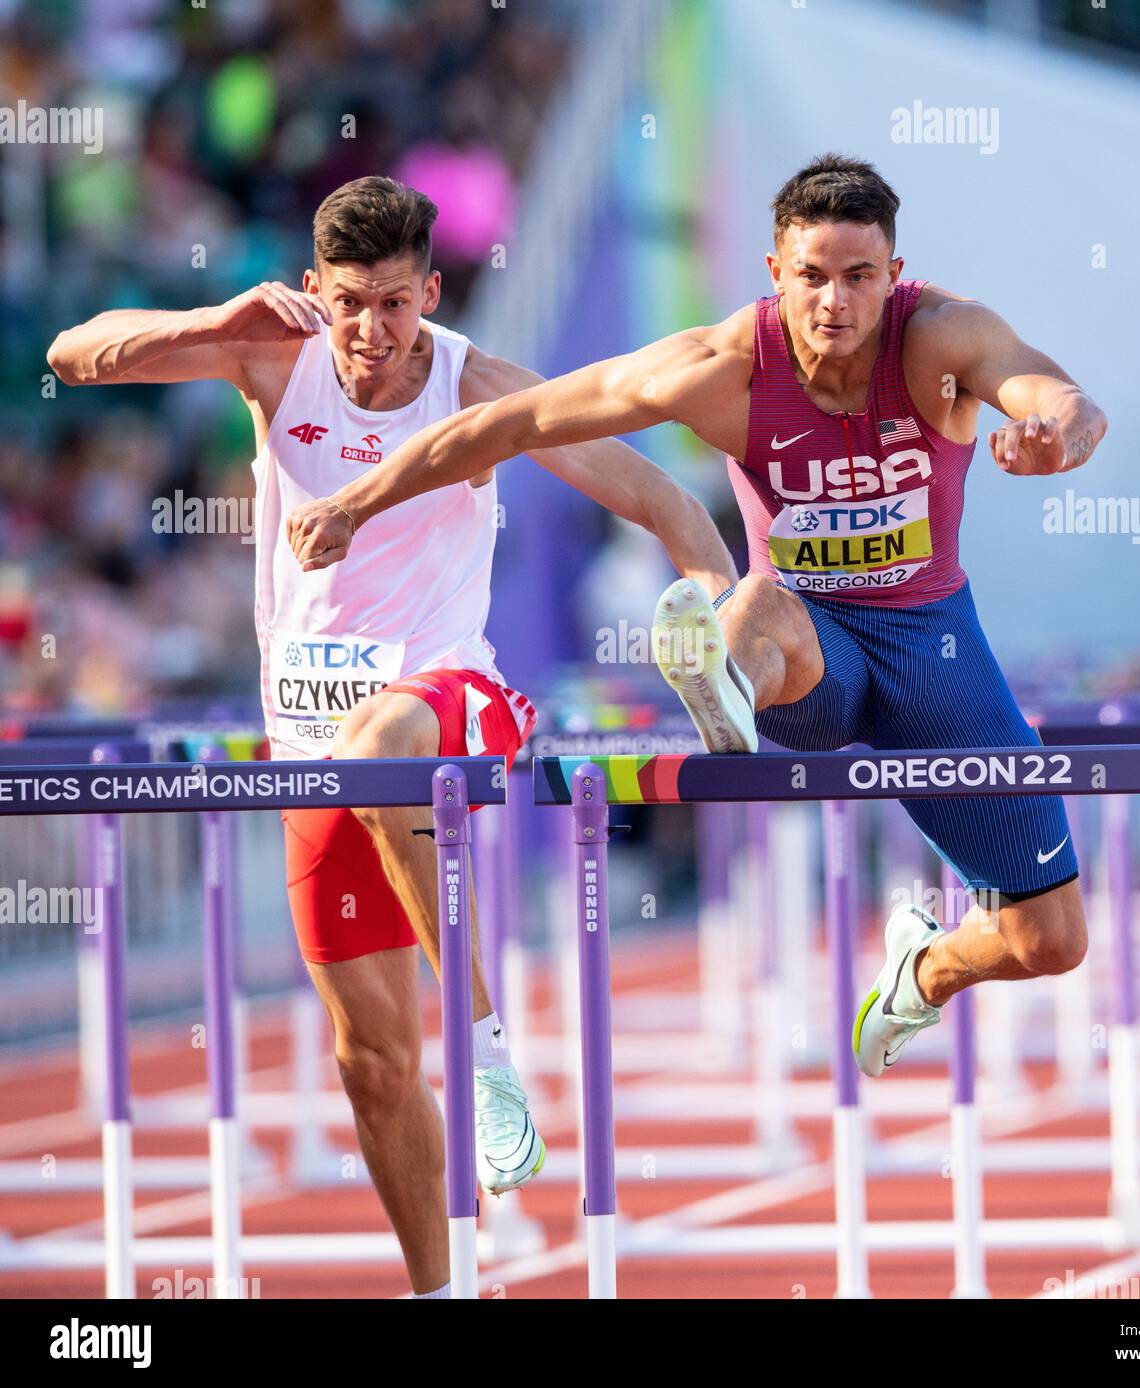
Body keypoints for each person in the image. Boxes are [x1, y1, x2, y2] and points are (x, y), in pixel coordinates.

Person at [46, 175, 740, 1297]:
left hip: (448, 700)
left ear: (430, 288)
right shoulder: (272, 355)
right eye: (351, 304)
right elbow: (78, 352)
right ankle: (443, 1288)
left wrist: (713, 588)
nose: (372, 334)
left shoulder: (480, 385)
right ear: (317, 291)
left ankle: (485, 1049)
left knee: (382, 745)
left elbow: (652, 490)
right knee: (369, 1061)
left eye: (396, 304)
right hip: (309, 741)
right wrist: (207, 327)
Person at [284, 153, 1108, 1082]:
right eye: (811, 278)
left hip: (936, 650)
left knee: (1051, 939)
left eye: (858, 278)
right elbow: (508, 424)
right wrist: (358, 502)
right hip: (809, 652)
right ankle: (726, 688)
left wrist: (1055, 438)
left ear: (893, 274)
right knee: (757, 599)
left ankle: (921, 965)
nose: (833, 303)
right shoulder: (722, 369)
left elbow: (1055, 391)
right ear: (774, 273)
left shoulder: (941, 340)